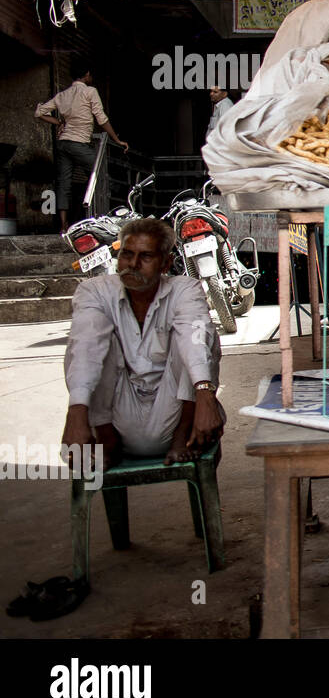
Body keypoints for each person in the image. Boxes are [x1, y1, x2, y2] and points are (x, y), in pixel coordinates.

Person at [60, 218, 224, 468]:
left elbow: (196, 340)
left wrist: (205, 393)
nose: (132, 265)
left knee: (198, 336)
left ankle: (182, 437)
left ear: (166, 263)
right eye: (126, 254)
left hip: (176, 412)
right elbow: (86, 348)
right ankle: (106, 441)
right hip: (117, 417)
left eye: (145, 257)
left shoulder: (185, 288)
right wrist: (76, 411)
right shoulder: (94, 291)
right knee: (85, 341)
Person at [34, 68, 128, 229]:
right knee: (101, 174)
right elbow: (101, 119)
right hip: (78, 144)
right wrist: (117, 139)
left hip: (63, 144)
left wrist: (59, 123)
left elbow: (39, 112)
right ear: (87, 74)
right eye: (91, 75)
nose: (91, 77)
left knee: (64, 184)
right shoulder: (90, 92)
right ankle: (108, 216)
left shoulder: (62, 95)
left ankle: (63, 224)